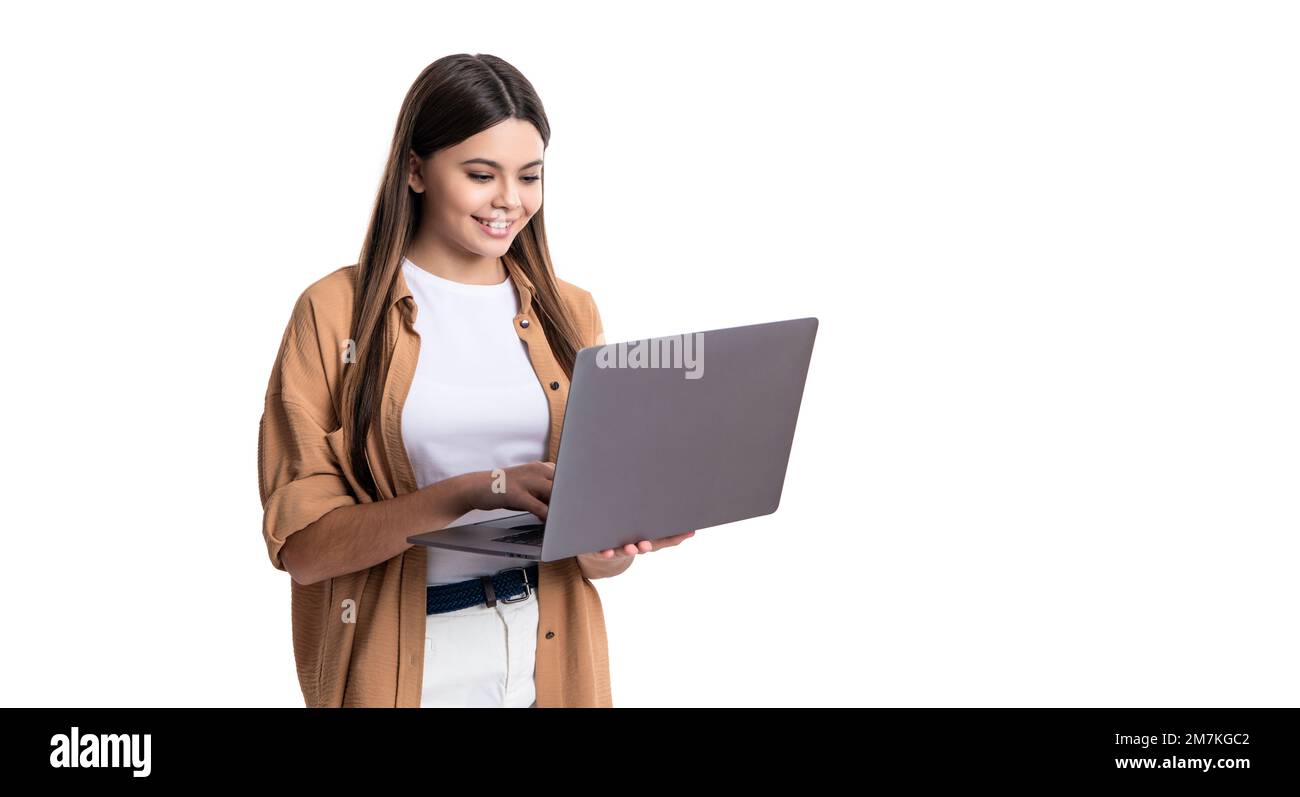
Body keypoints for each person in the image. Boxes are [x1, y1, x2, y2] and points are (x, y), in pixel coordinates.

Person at [257, 53, 693, 708]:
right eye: (481, 174)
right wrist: (468, 492)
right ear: (415, 170)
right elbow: (306, 550)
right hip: (411, 659)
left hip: (549, 649)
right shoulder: (334, 311)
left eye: (530, 176)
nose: (510, 201)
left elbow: (593, 560)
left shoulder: (569, 312)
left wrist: (617, 539)